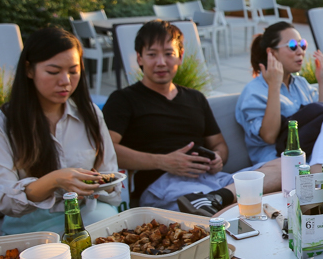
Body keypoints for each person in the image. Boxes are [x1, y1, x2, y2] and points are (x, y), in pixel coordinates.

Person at [102, 20, 281, 216]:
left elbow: (219, 145)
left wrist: (218, 159)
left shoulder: (195, 98)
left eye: (169, 54)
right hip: (162, 186)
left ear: (180, 56)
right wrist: (163, 162)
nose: (161, 62)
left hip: (214, 181)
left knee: (287, 167)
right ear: (139, 58)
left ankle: (220, 199)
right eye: (152, 55)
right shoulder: (124, 99)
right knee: (231, 210)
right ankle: (222, 203)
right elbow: (107, 151)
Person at [0, 27, 120, 235]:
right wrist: (56, 180)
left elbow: (112, 184)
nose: (65, 81)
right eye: (53, 72)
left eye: (73, 71)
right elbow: (6, 201)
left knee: (110, 235)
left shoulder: (89, 114)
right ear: (29, 70)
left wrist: (97, 184)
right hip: (33, 226)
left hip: (89, 214)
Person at [235, 22, 323, 167]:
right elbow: (269, 137)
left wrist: (321, 80)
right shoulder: (253, 92)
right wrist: (274, 86)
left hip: (307, 157)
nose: (300, 51)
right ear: (271, 52)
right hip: (275, 164)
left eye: (303, 44)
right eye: (292, 46)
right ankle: (317, 177)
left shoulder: (300, 83)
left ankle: (316, 174)